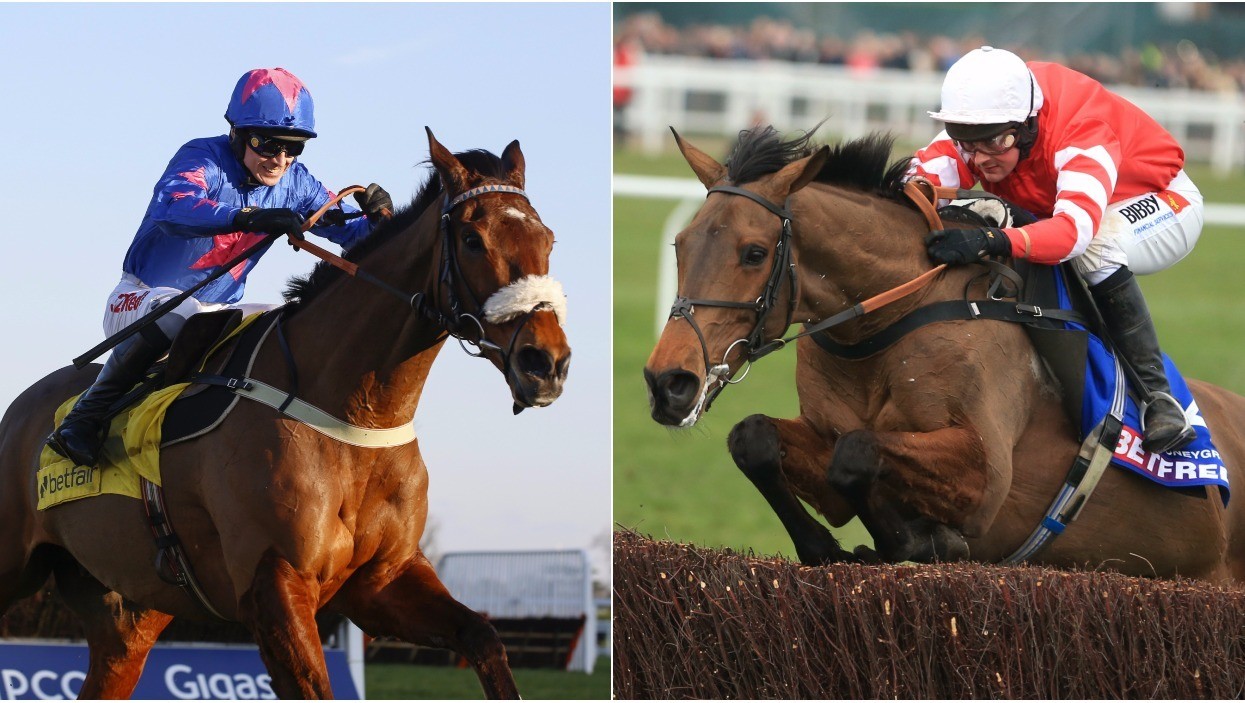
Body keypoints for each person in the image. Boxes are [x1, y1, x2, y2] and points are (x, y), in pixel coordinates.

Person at [47, 67, 394, 468]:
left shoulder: (297, 183)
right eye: (267, 144)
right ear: (238, 133)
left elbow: (354, 235)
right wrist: (250, 217)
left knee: (279, 321)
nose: (280, 159)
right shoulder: (201, 157)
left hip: (215, 315)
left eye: (293, 147)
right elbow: (172, 207)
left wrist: (381, 220)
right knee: (181, 310)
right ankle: (83, 418)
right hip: (139, 300)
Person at [908, 46, 1203, 454]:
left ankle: (1158, 397)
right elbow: (915, 187)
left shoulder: (1081, 130)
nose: (980, 159)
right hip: (1071, 206)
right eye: (967, 144)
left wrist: (991, 240)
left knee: (1095, 248)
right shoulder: (985, 122)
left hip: (1163, 202)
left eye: (995, 142)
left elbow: (1071, 234)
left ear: (1028, 126)